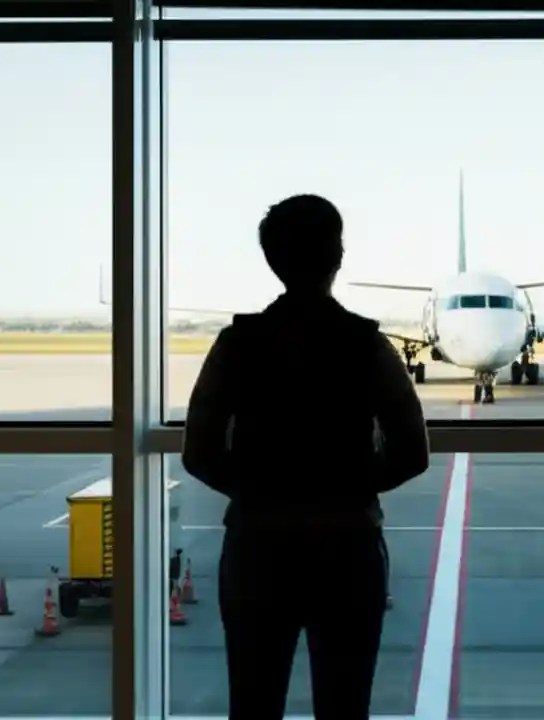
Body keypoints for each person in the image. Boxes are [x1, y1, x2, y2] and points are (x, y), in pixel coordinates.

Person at [181, 193, 430, 719]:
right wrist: (347, 487)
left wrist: (259, 491)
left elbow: (198, 452)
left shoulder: (237, 344)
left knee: (252, 701)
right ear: (338, 255)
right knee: (345, 705)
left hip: (258, 546)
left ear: (272, 260)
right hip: (346, 547)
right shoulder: (366, 346)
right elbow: (412, 453)